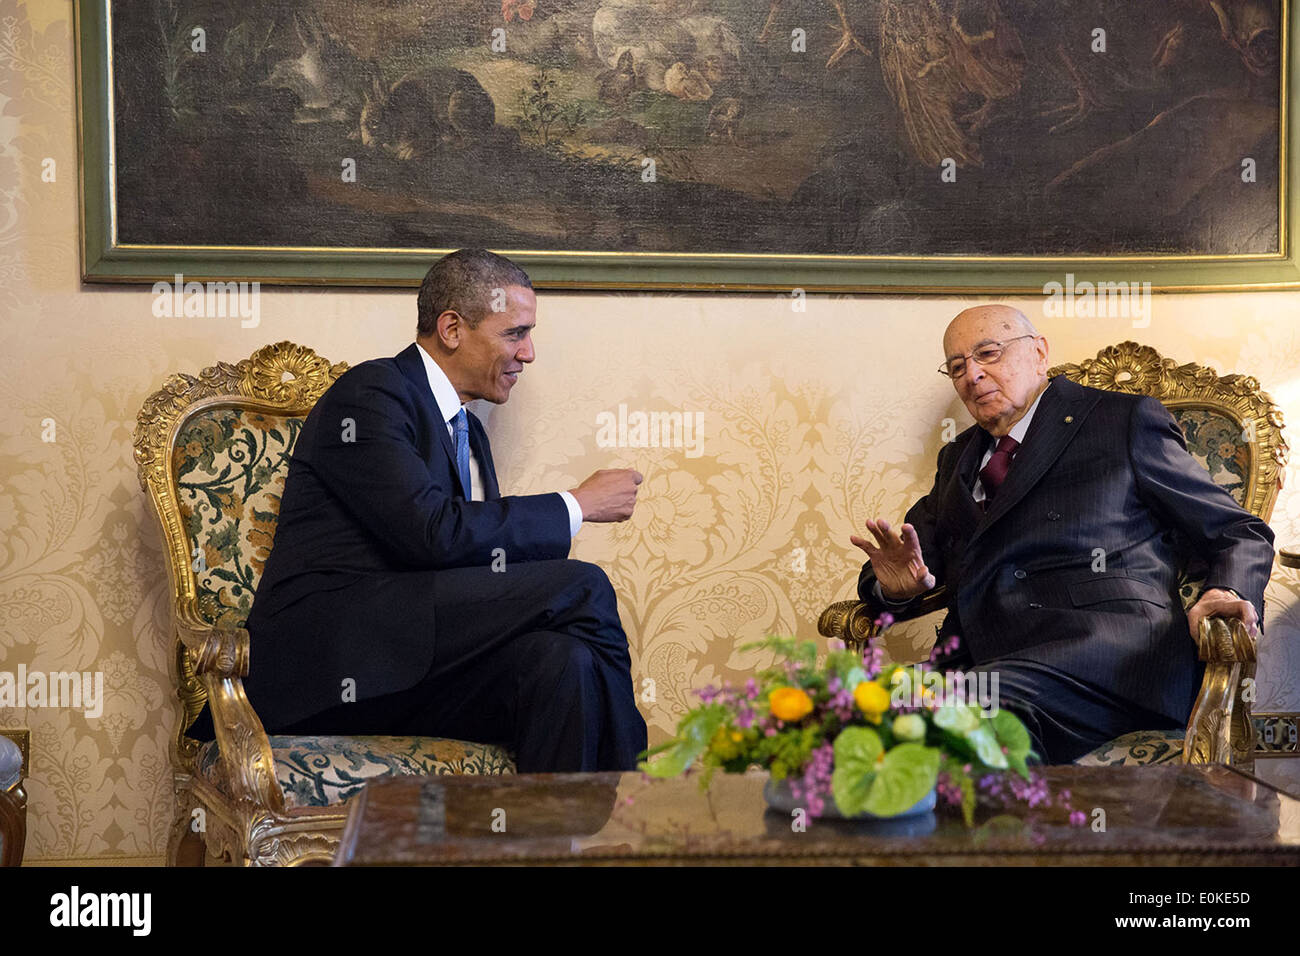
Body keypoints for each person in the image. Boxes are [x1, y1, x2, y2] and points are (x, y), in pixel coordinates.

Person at [200, 249, 648, 772]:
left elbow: (473, 562)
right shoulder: (372, 394)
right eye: (515, 333)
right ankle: (636, 793)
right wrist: (575, 505)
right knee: (582, 584)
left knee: (560, 661)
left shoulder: (469, 431)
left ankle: (554, 843)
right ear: (453, 329)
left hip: (413, 663)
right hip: (332, 665)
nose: (529, 353)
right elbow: (431, 534)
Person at [851, 305, 1275, 763]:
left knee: (959, 715)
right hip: (985, 663)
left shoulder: (1122, 421)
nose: (972, 375)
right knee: (849, 715)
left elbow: (1238, 530)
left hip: (1107, 656)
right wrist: (895, 590)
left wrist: (1226, 590)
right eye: (957, 367)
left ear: (1039, 353)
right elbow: (906, 560)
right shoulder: (957, 459)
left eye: (988, 353)